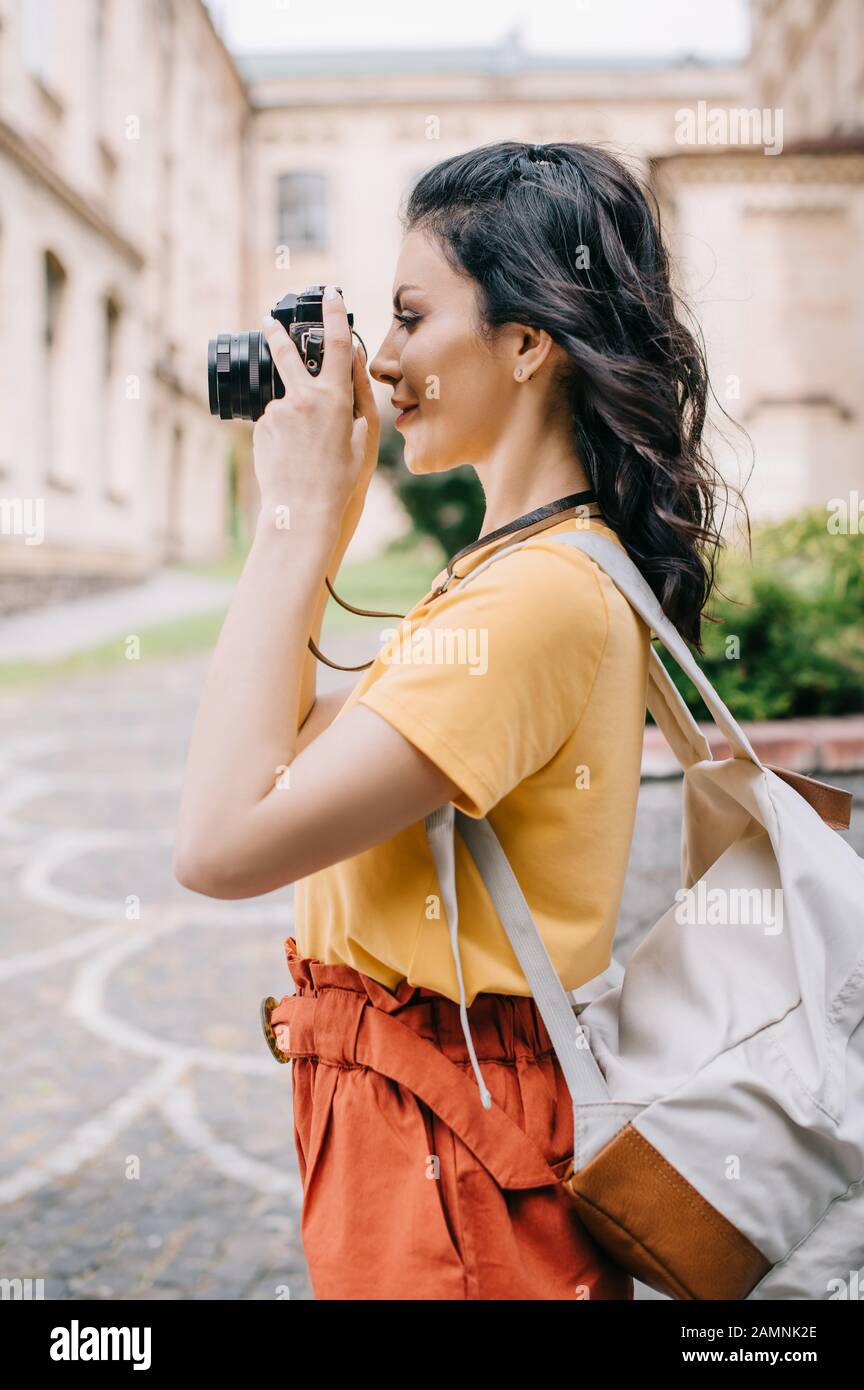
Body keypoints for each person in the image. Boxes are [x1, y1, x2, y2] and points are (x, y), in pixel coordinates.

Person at [174, 140, 729, 1300]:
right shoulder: (515, 573)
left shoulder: (537, 599)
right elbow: (271, 743)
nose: (380, 360)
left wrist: (292, 513)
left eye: (413, 318)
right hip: (428, 1127)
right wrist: (315, 518)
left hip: (447, 1155)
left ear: (528, 343)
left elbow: (218, 844)